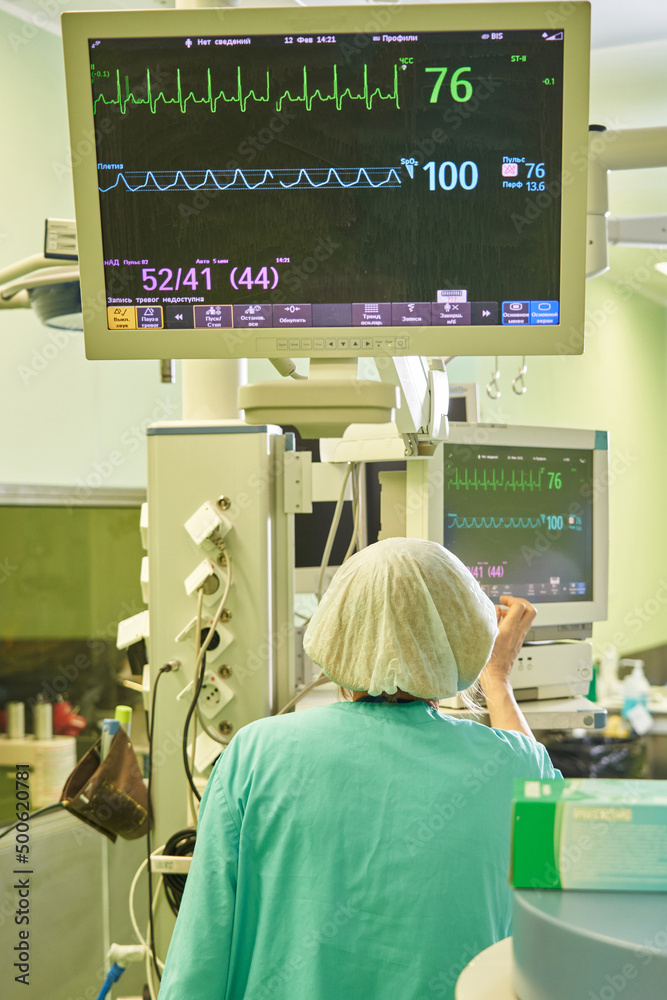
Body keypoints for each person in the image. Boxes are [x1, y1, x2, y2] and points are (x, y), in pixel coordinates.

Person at [158, 538, 561, 1000]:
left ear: (335, 633)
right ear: (468, 635)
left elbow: (201, 952)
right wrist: (498, 678)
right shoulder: (513, 766)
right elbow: (550, 866)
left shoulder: (256, 754)